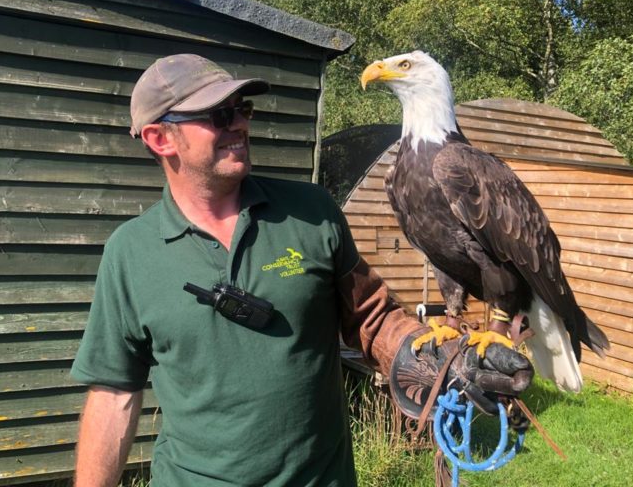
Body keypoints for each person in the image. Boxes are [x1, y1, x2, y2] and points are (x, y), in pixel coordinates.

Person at [71, 54, 531, 487]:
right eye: (218, 115)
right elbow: (113, 397)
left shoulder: (311, 212)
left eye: (242, 108)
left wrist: (431, 357)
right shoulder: (130, 253)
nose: (239, 124)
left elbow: (369, 318)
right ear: (160, 138)